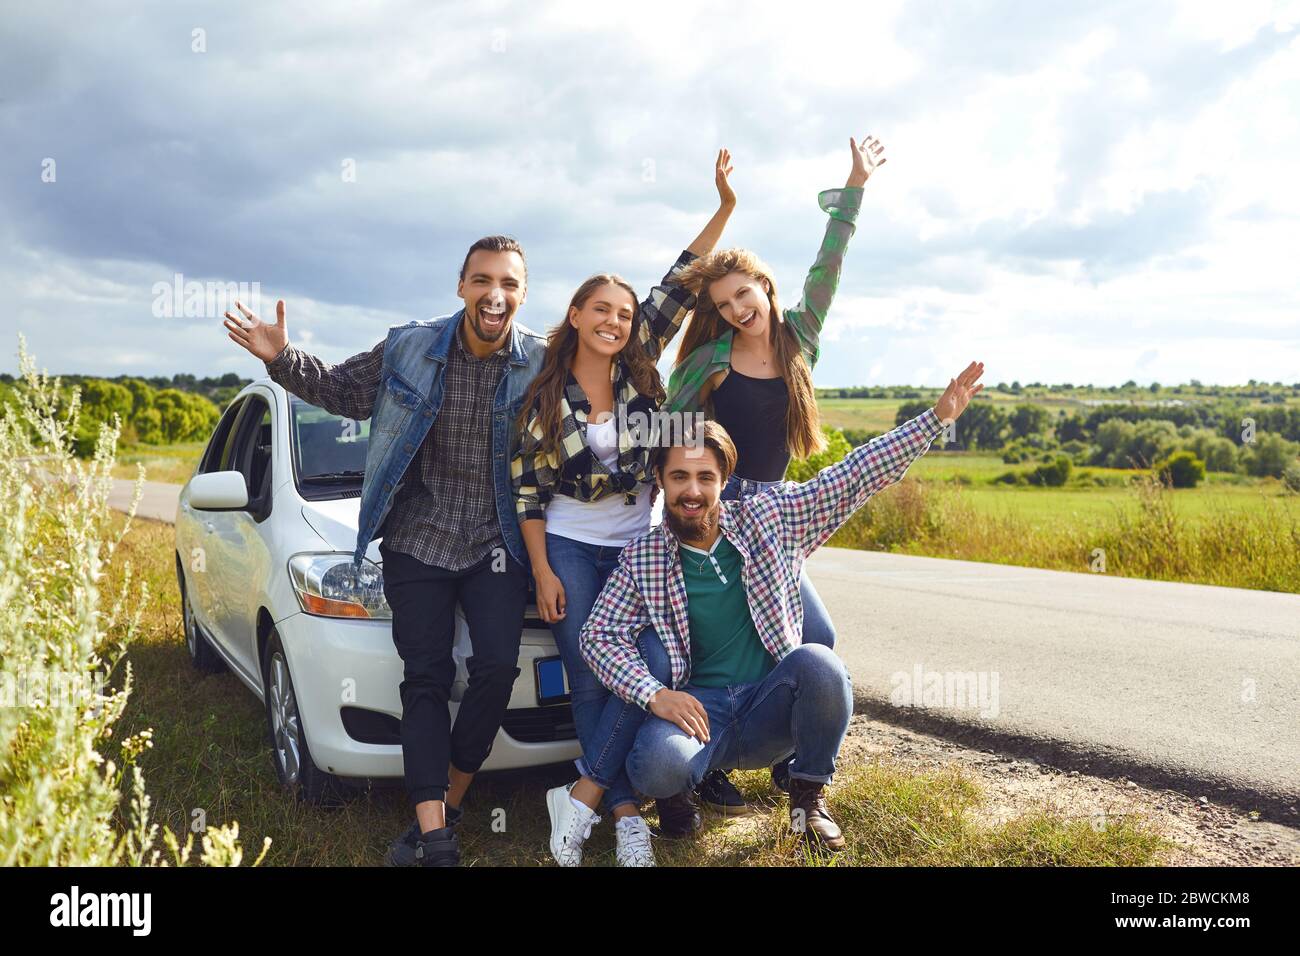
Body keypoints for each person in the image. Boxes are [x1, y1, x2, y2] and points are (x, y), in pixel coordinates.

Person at [222, 236, 543, 867]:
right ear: (461, 287)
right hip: (417, 539)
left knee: (497, 670)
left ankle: (446, 802)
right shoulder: (411, 346)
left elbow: (594, 401)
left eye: (508, 283)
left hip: (496, 543)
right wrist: (282, 356)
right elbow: (342, 391)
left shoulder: (540, 361)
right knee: (424, 677)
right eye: (481, 280)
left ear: (522, 293)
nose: (494, 294)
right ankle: (436, 836)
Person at [580, 362, 985, 852]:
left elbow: (854, 475)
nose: (692, 491)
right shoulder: (643, 556)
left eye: (705, 477)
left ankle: (807, 800)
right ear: (661, 482)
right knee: (658, 766)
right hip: (697, 710)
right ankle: (678, 796)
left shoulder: (773, 518)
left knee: (820, 662)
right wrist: (652, 694)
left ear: (723, 479)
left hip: (767, 704)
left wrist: (935, 420)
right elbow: (598, 636)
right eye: (679, 476)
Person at [512, 151, 736, 866]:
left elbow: (680, 280)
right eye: (600, 310)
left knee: (649, 662)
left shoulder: (639, 365)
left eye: (624, 312)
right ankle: (624, 813)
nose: (614, 320)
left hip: (641, 542)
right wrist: (544, 570)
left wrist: (724, 209)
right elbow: (528, 494)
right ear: (575, 316)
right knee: (589, 673)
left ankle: (586, 793)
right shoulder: (542, 400)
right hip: (574, 546)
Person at [661, 134, 887, 813]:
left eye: (744, 294)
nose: (736, 308)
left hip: (781, 509)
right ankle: (710, 763)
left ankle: (796, 767)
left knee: (814, 641)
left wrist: (854, 188)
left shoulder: (799, 338)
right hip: (725, 513)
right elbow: (667, 429)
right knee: (747, 640)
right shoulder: (711, 362)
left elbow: (829, 265)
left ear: (765, 286)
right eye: (725, 302)